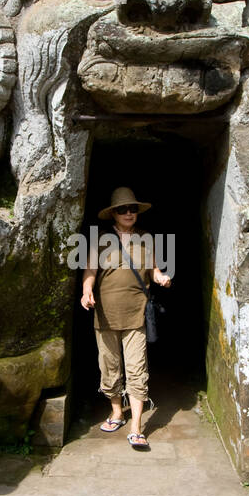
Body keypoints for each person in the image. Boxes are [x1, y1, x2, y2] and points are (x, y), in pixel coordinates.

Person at [81, 187, 172, 450]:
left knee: (136, 368)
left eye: (132, 208)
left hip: (136, 314)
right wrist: (87, 291)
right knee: (109, 367)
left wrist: (161, 278)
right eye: (123, 209)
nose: (129, 213)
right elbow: (90, 271)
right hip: (105, 314)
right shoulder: (99, 239)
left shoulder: (146, 238)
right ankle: (117, 412)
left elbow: (154, 270)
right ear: (114, 214)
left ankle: (137, 427)